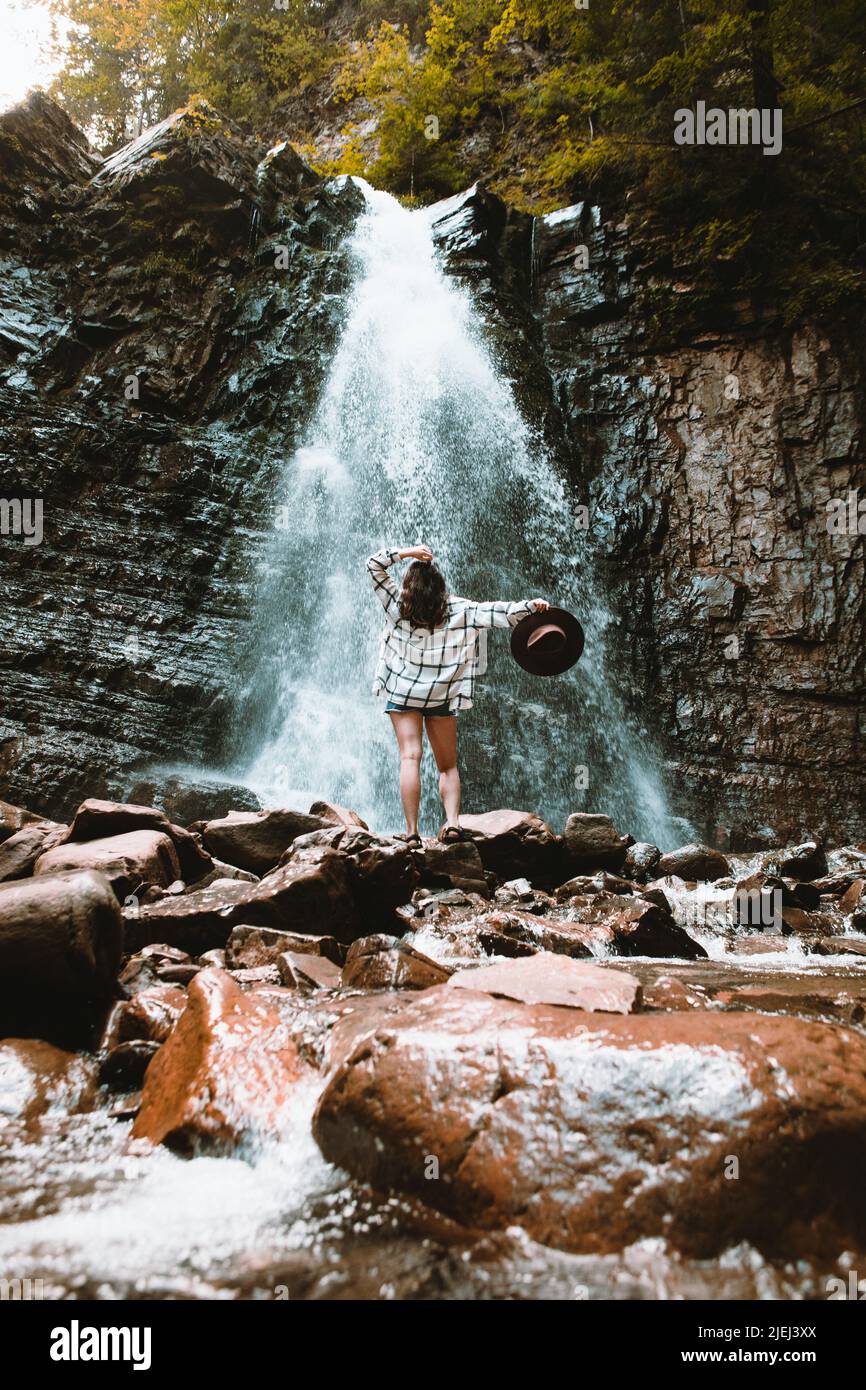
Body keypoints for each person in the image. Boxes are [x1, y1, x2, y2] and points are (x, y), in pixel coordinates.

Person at [367, 543, 548, 845]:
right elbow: (500, 612)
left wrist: (410, 553)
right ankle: (453, 825)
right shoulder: (460, 609)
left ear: (408, 587)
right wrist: (532, 606)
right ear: (440, 587)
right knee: (447, 765)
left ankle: (411, 833)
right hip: (440, 697)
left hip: (403, 694)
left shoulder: (397, 606)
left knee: (410, 757)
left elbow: (373, 565)